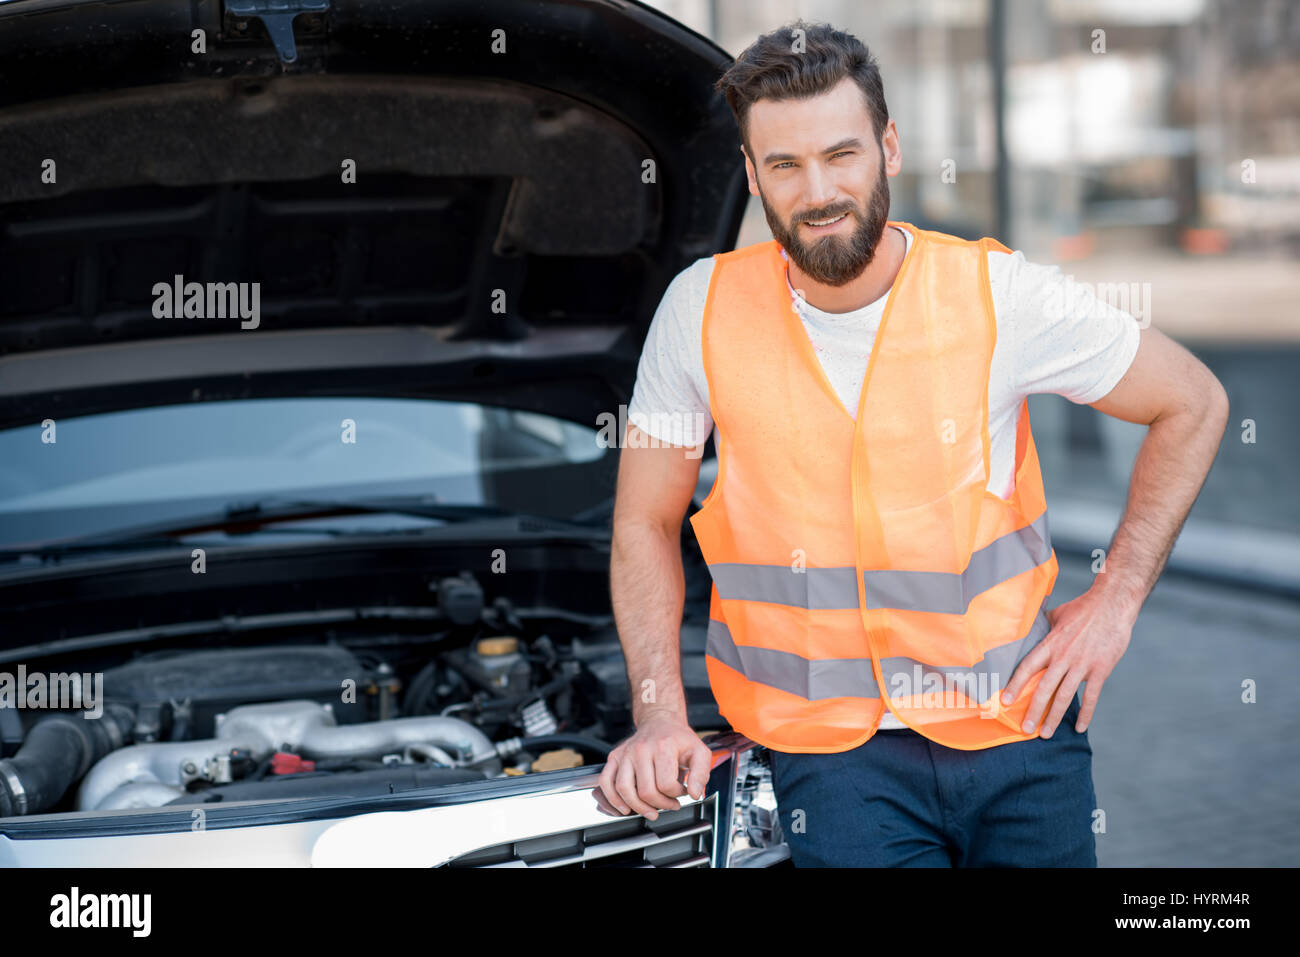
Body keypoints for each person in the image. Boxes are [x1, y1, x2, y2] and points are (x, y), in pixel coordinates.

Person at [597, 19, 1228, 866]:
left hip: (1019, 731)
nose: (817, 190)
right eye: (784, 164)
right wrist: (658, 713)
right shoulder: (698, 310)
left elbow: (1192, 401)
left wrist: (1114, 603)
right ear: (751, 175)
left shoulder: (998, 296)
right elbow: (643, 523)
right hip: (829, 757)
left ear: (889, 147)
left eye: (842, 153)